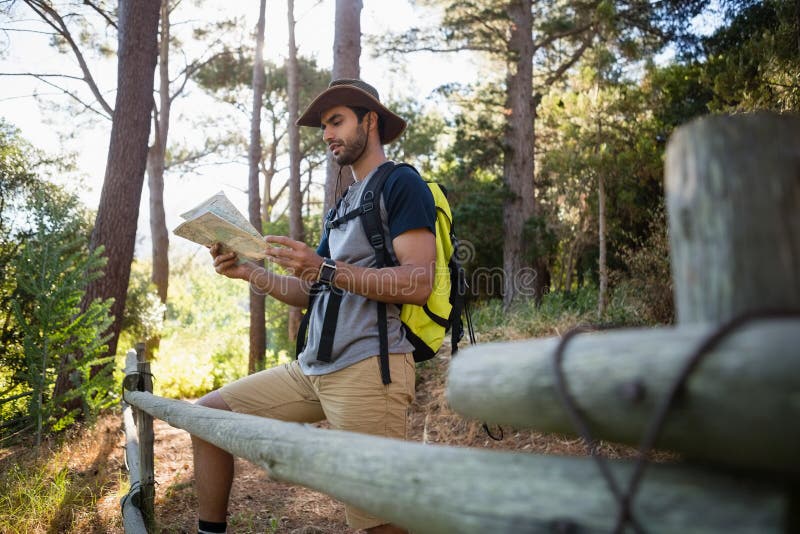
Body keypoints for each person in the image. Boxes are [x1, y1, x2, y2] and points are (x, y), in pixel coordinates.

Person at [191, 79, 436, 534]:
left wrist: (323, 267)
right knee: (208, 417)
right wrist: (250, 273)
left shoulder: (402, 184)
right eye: (324, 125)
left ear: (370, 121)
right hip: (311, 369)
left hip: (370, 369)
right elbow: (316, 291)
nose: (327, 134)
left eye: (336, 121)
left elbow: (418, 282)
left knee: (377, 520)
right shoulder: (343, 203)